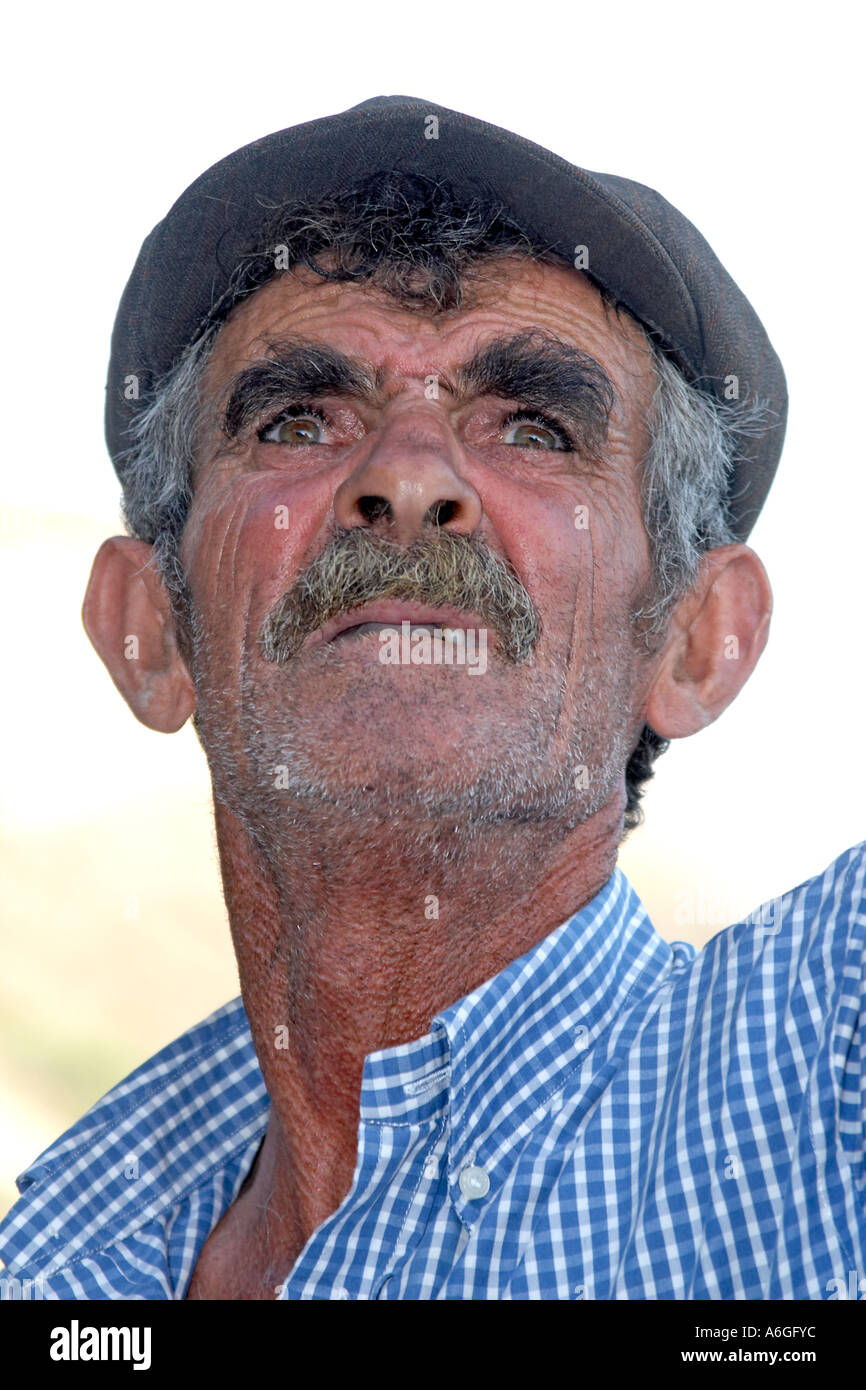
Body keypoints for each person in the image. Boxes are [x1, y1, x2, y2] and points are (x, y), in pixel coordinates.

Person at [1, 95, 863, 1302]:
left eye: (534, 426)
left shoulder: (820, 1060)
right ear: (149, 631)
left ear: (694, 640)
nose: (405, 478)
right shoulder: (60, 1257)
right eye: (301, 418)